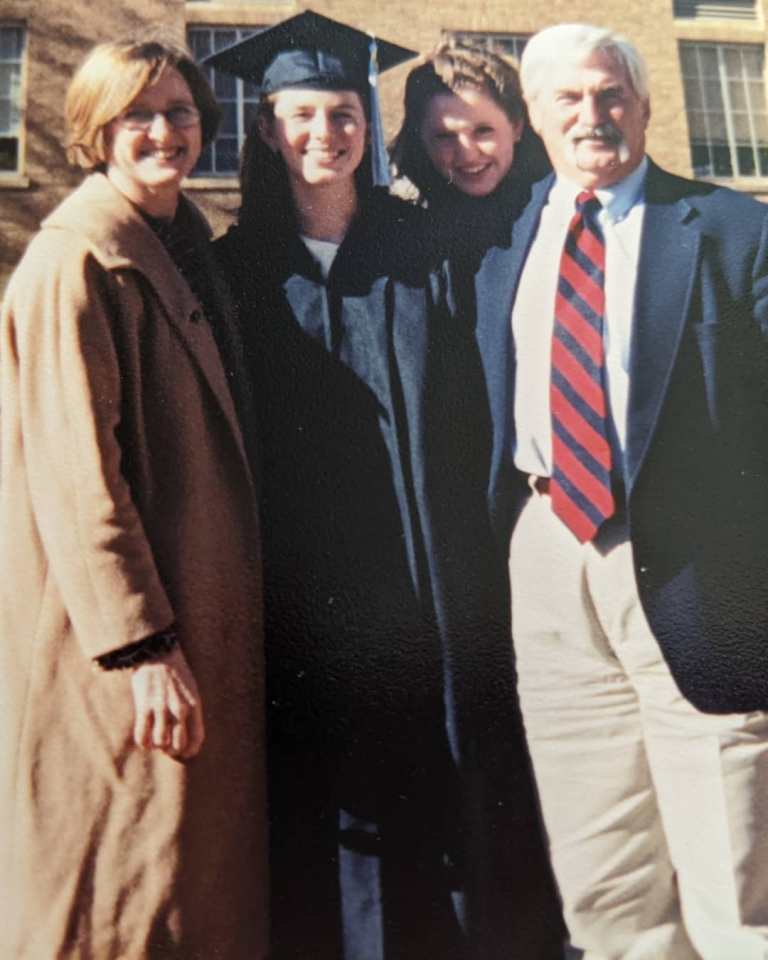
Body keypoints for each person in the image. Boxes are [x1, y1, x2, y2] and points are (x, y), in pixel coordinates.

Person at [208, 11, 561, 960]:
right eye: (304, 115)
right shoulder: (235, 269)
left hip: (437, 581)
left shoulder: (428, 248)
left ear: (370, 125)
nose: (328, 133)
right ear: (269, 128)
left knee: (455, 772)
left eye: (347, 113)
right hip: (306, 590)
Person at [472, 20, 768, 959]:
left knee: (729, 843)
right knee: (600, 856)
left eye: (611, 95)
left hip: (694, 557)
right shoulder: (505, 238)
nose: (593, 116)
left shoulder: (732, 228)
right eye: (569, 99)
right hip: (549, 545)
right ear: (534, 117)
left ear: (644, 106)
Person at [0, 38, 267, 959]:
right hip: (117, 648)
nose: (164, 132)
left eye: (182, 111)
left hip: (193, 616)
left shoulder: (180, 246)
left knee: (183, 888)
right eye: (136, 115)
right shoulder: (77, 262)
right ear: (93, 130)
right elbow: (77, 479)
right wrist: (139, 645)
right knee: (119, 894)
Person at [390, 38, 549, 243]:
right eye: (445, 136)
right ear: (422, 139)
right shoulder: (407, 230)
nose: (468, 154)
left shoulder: (554, 214)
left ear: (516, 126)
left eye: (483, 131)